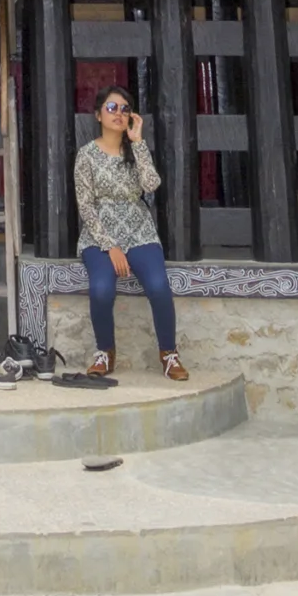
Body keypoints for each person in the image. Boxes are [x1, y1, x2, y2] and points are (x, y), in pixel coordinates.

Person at [73, 88, 188, 380]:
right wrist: (110, 246)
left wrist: (138, 142)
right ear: (98, 114)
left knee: (159, 286)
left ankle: (169, 355)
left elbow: (151, 184)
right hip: (100, 235)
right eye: (112, 107)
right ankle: (105, 353)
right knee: (101, 289)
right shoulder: (85, 155)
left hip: (138, 230)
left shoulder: (135, 150)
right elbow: (85, 206)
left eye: (125, 109)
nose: (119, 114)